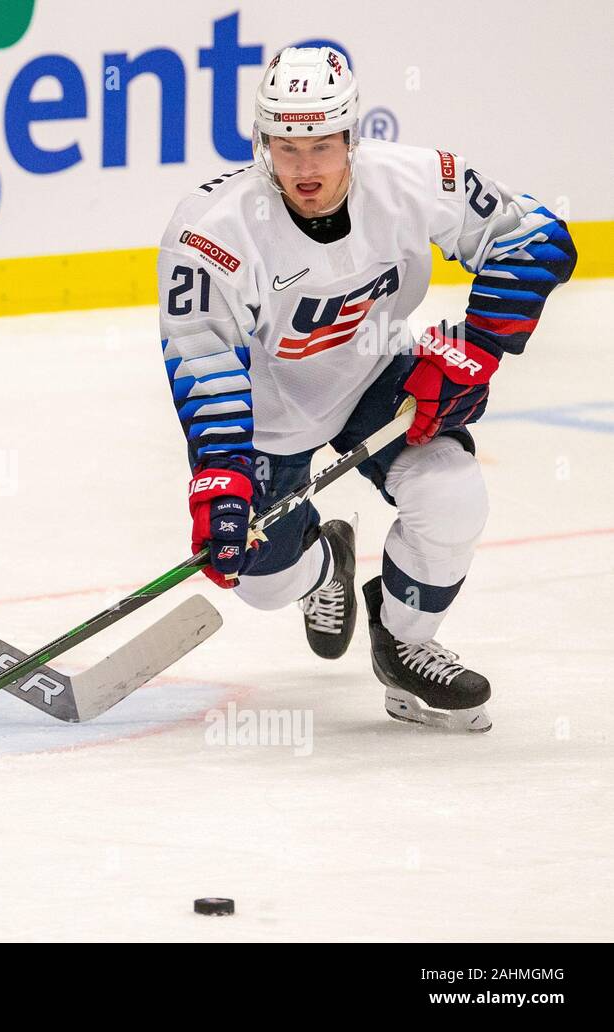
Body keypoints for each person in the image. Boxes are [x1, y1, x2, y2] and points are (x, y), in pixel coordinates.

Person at [158, 47, 576, 731]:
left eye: (322, 145)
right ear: (263, 142)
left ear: (353, 134)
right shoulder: (212, 231)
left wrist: (473, 351)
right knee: (260, 585)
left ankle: (405, 642)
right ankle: (324, 567)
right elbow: (205, 360)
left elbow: (533, 239)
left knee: (452, 491)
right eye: (286, 147)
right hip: (266, 415)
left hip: (375, 375)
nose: (305, 168)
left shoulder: (415, 178)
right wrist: (223, 480)